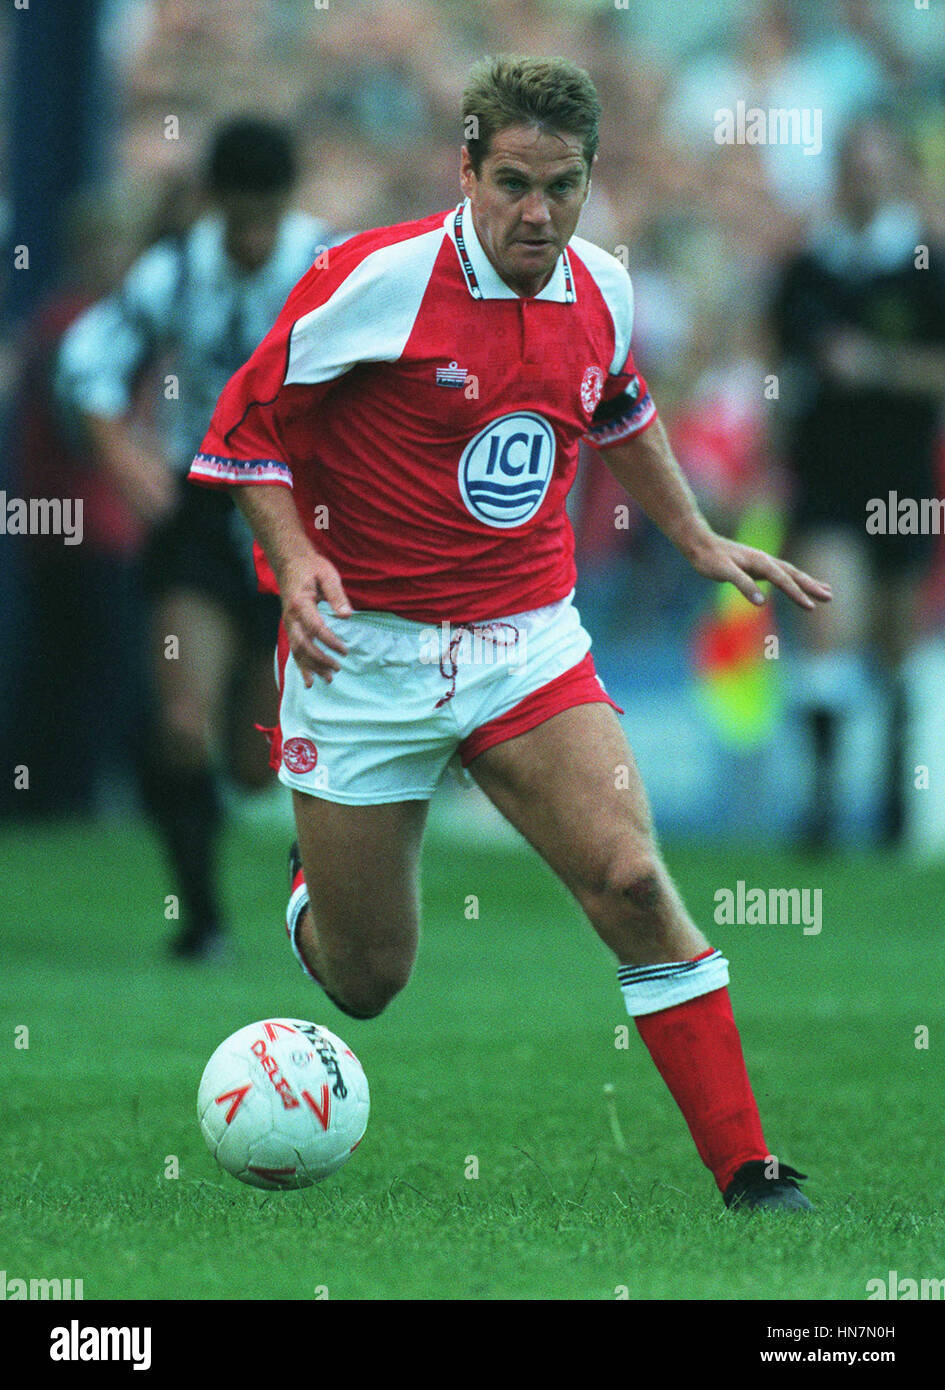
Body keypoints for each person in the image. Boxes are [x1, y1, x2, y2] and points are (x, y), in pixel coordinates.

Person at [190, 57, 830, 1211]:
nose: (538, 212)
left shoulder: (604, 287)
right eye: (516, 183)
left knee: (633, 880)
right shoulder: (372, 280)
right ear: (468, 167)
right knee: (370, 979)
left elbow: (619, 405)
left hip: (524, 636)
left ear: (592, 180)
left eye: (565, 186)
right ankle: (313, 897)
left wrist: (695, 537)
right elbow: (244, 429)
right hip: (364, 650)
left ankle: (749, 1169)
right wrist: (297, 564)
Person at [57, 117, 338, 959]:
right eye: (238, 218)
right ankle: (201, 917)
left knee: (256, 763)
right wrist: (117, 450)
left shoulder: (330, 266)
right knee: (181, 721)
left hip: (296, 514)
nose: (251, 238)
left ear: (286, 206)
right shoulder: (173, 272)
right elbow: (86, 357)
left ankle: (298, 881)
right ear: (213, 204)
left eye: (265, 218)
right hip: (200, 508)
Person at [770, 115, 945, 849]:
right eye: (852, 167)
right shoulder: (807, 267)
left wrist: (875, 365)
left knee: (892, 641)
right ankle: (820, 805)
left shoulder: (927, 267)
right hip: (827, 476)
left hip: (901, 475)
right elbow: (776, 365)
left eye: (875, 167)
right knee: (826, 628)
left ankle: (891, 797)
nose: (862, 181)